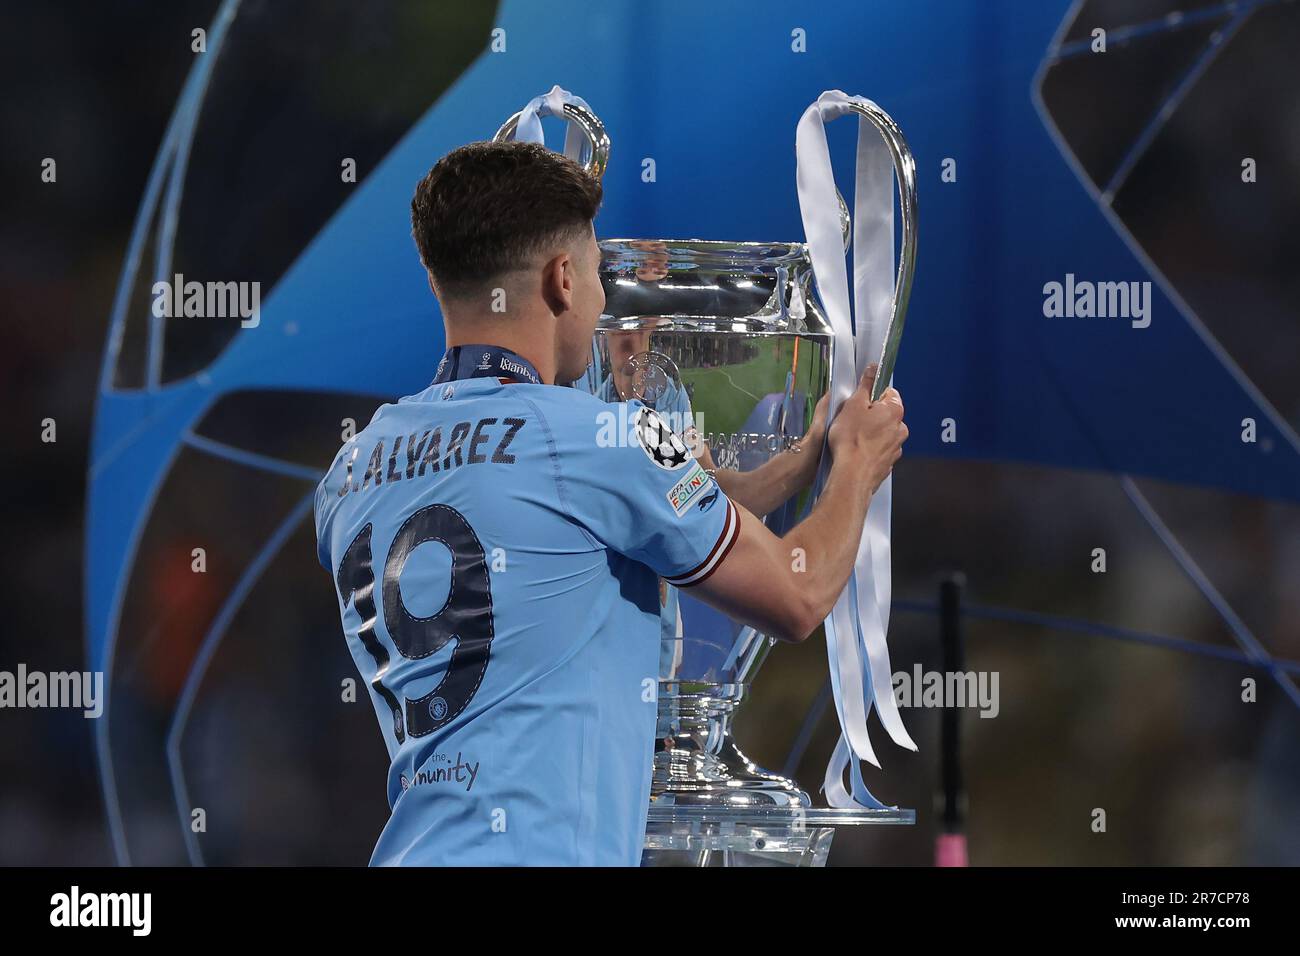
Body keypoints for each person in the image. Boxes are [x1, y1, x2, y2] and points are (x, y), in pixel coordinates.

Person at [313, 140, 907, 866]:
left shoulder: (351, 472)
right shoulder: (607, 444)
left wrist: (668, 423)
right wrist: (856, 465)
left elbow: (561, 528)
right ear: (564, 279)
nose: (600, 300)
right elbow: (796, 593)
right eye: (597, 275)